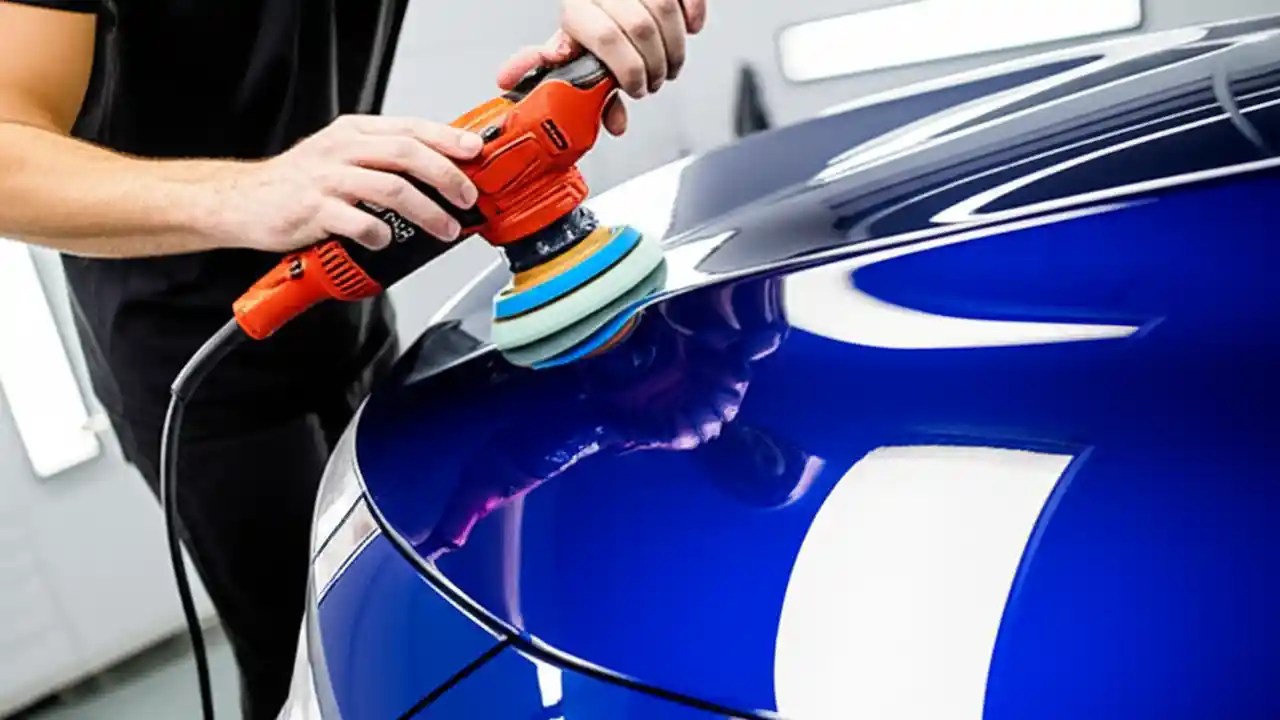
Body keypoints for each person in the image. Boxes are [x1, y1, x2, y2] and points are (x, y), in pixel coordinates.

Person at [0, 0, 707, 716]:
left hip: (350, 311)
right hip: (198, 365)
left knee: (426, 605)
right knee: (303, 659)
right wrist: (248, 192)